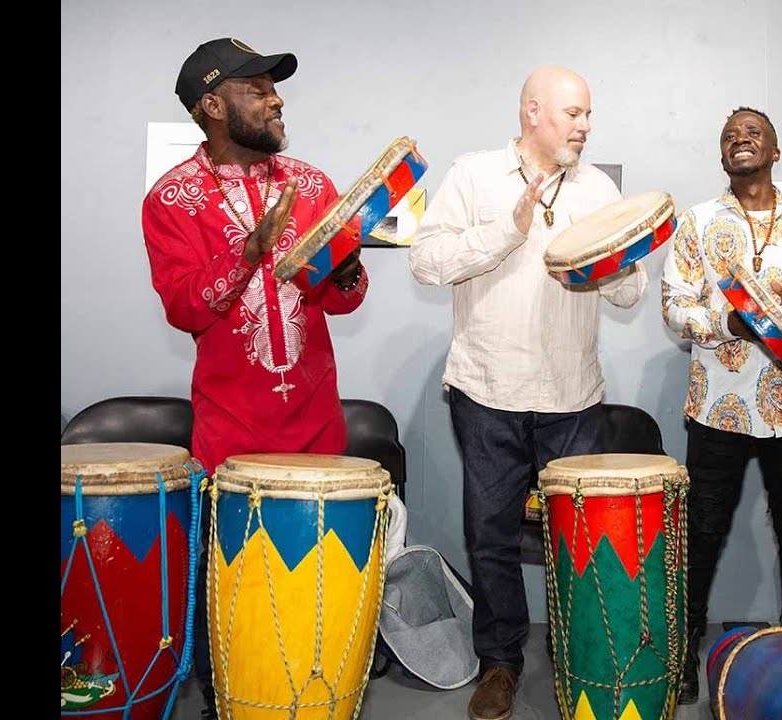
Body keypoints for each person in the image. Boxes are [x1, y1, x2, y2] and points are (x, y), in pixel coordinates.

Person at [409, 65, 646, 720]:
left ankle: (589, 659)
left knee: (585, 541)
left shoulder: (598, 187)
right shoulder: (473, 175)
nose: (585, 126)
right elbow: (426, 263)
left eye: (589, 115)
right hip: (486, 389)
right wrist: (507, 231)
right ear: (531, 111)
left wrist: (618, 262)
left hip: (573, 396)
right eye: (574, 114)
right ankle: (500, 664)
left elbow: (630, 293)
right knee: (490, 536)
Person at [141, 37, 368, 719]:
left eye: (274, 87)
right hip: (230, 440)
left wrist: (342, 268)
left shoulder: (311, 183)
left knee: (318, 592)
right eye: (256, 88)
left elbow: (344, 299)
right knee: (234, 596)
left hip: (317, 431)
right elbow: (186, 308)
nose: (275, 99)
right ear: (212, 105)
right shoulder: (171, 199)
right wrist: (248, 254)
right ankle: (229, 704)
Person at [660, 106, 782, 703]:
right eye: (730, 136)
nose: (741, 140)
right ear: (722, 158)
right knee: (703, 533)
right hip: (718, 403)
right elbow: (674, 306)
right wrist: (728, 322)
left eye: (753, 133)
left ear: (775, 150)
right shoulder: (697, 221)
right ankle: (682, 656)